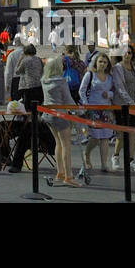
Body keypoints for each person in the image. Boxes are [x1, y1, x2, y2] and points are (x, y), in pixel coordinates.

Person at [40, 56, 80, 187]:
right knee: (66, 145)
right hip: (61, 115)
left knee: (58, 143)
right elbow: (68, 100)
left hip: (48, 115)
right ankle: (68, 176)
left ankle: (60, 172)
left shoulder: (44, 81)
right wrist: (79, 111)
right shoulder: (61, 81)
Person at [78, 53, 121, 174]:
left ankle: (104, 164)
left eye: (105, 62)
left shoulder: (110, 77)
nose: (102, 64)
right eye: (100, 61)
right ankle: (87, 153)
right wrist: (86, 105)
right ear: (96, 62)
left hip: (106, 109)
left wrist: (110, 94)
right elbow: (82, 90)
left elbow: (114, 91)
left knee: (105, 137)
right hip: (93, 108)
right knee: (96, 137)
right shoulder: (90, 75)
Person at [109, 45, 135, 173]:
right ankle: (116, 156)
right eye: (124, 53)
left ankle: (131, 159)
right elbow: (120, 88)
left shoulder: (134, 67)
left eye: (129, 53)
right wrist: (130, 103)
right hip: (122, 105)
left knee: (133, 133)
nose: (127, 55)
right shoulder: (118, 68)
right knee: (122, 134)